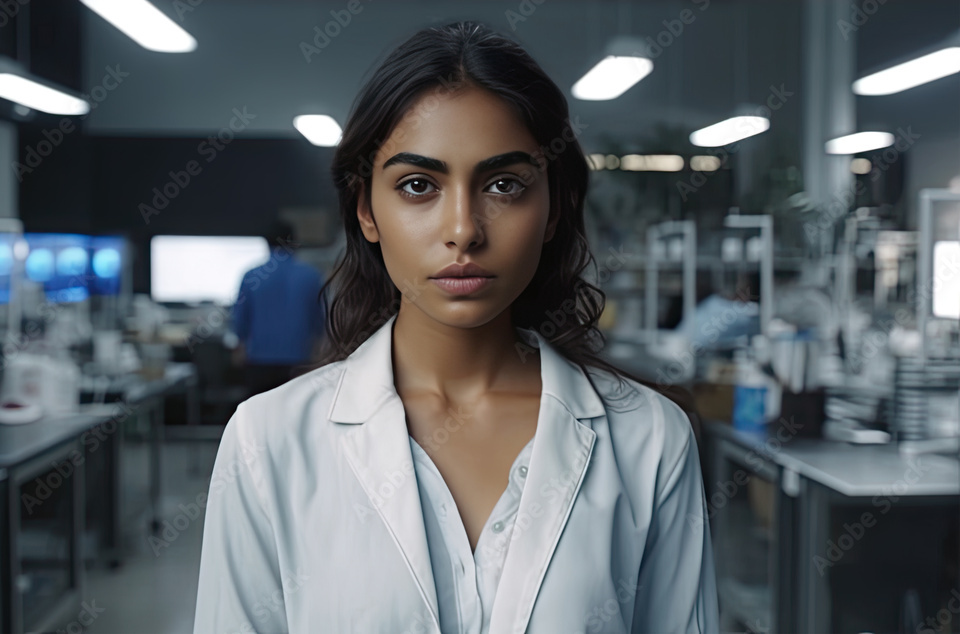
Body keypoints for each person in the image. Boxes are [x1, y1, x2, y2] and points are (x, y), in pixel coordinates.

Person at [195, 20, 719, 634]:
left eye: (504, 185)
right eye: (418, 186)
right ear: (367, 210)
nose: (464, 229)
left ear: (552, 207)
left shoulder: (649, 440)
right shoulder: (267, 442)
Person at [230, 221, 325, 396]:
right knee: (296, 417)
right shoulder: (312, 276)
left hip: (259, 361)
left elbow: (240, 320)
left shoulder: (252, 276)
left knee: (260, 417)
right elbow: (320, 322)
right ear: (294, 242)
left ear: (266, 243)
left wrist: (240, 346)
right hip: (299, 362)